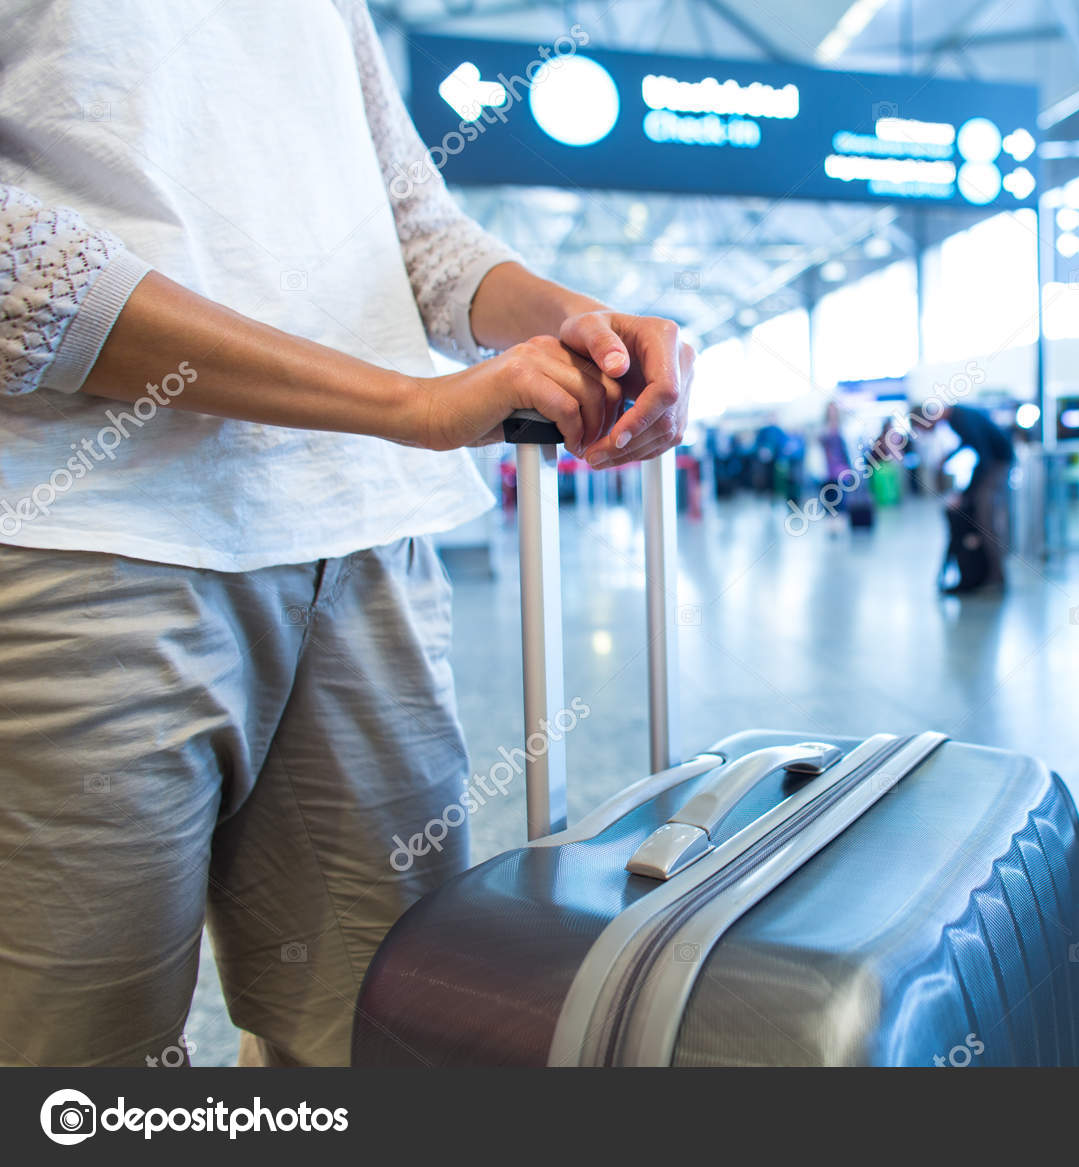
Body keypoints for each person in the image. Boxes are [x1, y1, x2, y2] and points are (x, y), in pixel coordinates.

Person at [0, 0, 692, 1067]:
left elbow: (412, 226)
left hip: (364, 538)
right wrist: (405, 404)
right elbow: (18, 268)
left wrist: (576, 320)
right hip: (90, 534)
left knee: (379, 1028)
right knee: (80, 1070)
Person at [913, 402, 1014, 594]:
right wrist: (949, 456)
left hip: (998, 464)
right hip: (994, 463)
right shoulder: (956, 417)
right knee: (978, 513)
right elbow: (969, 443)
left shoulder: (960, 419)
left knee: (986, 520)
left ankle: (995, 578)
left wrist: (964, 494)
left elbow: (983, 459)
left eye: (924, 427)